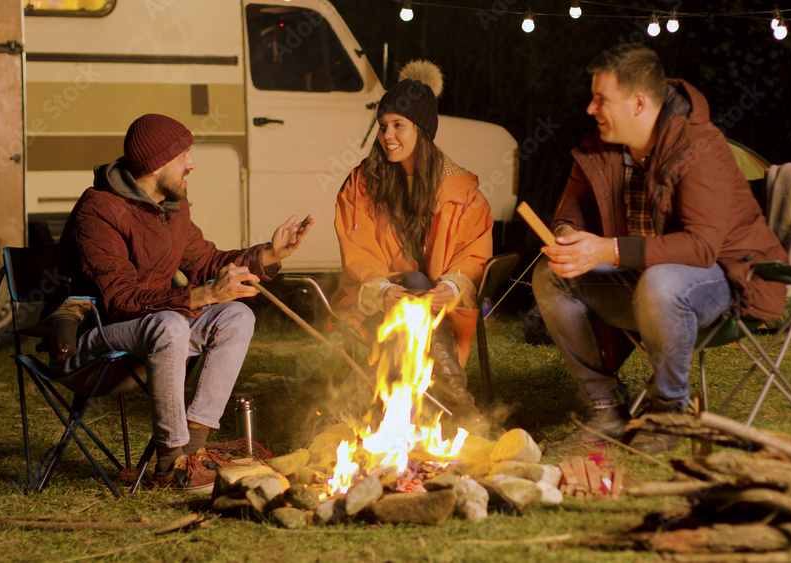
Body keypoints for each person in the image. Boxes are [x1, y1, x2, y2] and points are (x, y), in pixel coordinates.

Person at [532, 45, 788, 454]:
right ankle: (606, 408)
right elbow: (572, 212)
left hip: (728, 279)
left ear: (637, 103)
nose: (590, 108)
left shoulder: (700, 146)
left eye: (601, 99)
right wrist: (566, 237)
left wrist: (609, 251)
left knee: (661, 281)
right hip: (644, 283)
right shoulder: (602, 148)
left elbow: (701, 247)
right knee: (551, 276)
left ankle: (669, 414)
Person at [57, 113, 314, 491]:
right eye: (183, 156)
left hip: (153, 340)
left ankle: (192, 453)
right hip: (92, 342)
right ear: (156, 164)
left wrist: (271, 254)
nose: (191, 163)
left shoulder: (169, 205)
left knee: (236, 316)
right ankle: (169, 463)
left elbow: (205, 260)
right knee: (171, 323)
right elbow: (119, 300)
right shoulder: (97, 212)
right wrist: (203, 295)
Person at [332, 61, 493, 421]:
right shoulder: (363, 184)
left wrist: (453, 286)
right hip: (376, 303)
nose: (388, 135)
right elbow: (358, 253)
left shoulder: (459, 191)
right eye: (383, 126)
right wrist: (381, 290)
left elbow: (474, 252)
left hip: (441, 309)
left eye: (399, 126)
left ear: (422, 130)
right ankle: (460, 406)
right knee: (415, 289)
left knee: (421, 292)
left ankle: (364, 407)